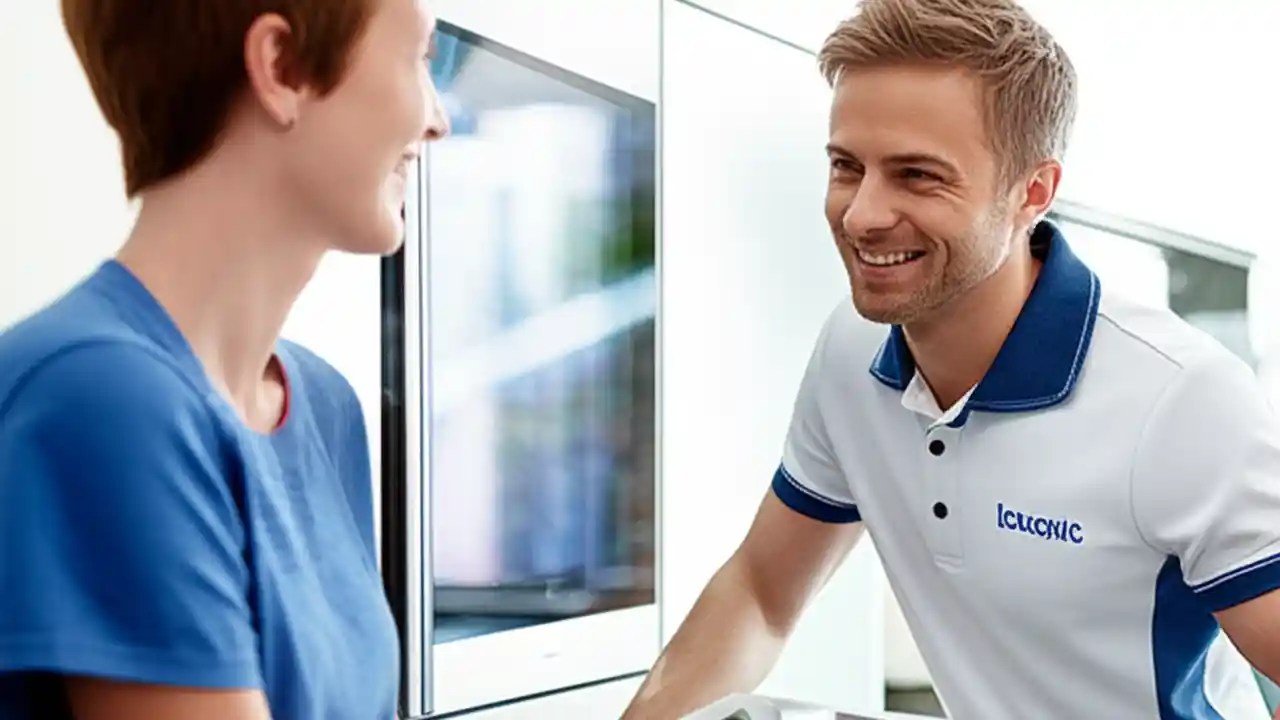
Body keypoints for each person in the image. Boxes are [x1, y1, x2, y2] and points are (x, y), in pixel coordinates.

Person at [623, 0, 1280, 718]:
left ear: (1032, 192)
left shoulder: (1179, 398)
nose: (861, 214)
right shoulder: (852, 352)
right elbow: (759, 592)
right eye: (847, 166)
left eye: (917, 176)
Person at [0, 0, 448, 718]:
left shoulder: (325, 406)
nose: (437, 119)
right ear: (282, 67)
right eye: (420, 58)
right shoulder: (98, 400)